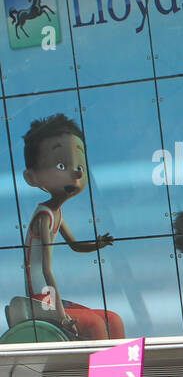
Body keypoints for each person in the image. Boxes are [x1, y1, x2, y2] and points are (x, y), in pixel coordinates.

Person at [20, 114, 122, 340]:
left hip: (48, 295)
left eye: (79, 165)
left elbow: (75, 245)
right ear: (32, 177)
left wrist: (97, 244)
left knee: (112, 319)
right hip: (42, 296)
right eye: (61, 165)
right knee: (95, 324)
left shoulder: (56, 212)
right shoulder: (43, 217)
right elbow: (46, 270)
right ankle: (100, 376)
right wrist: (60, 314)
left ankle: (121, 376)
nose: (76, 172)